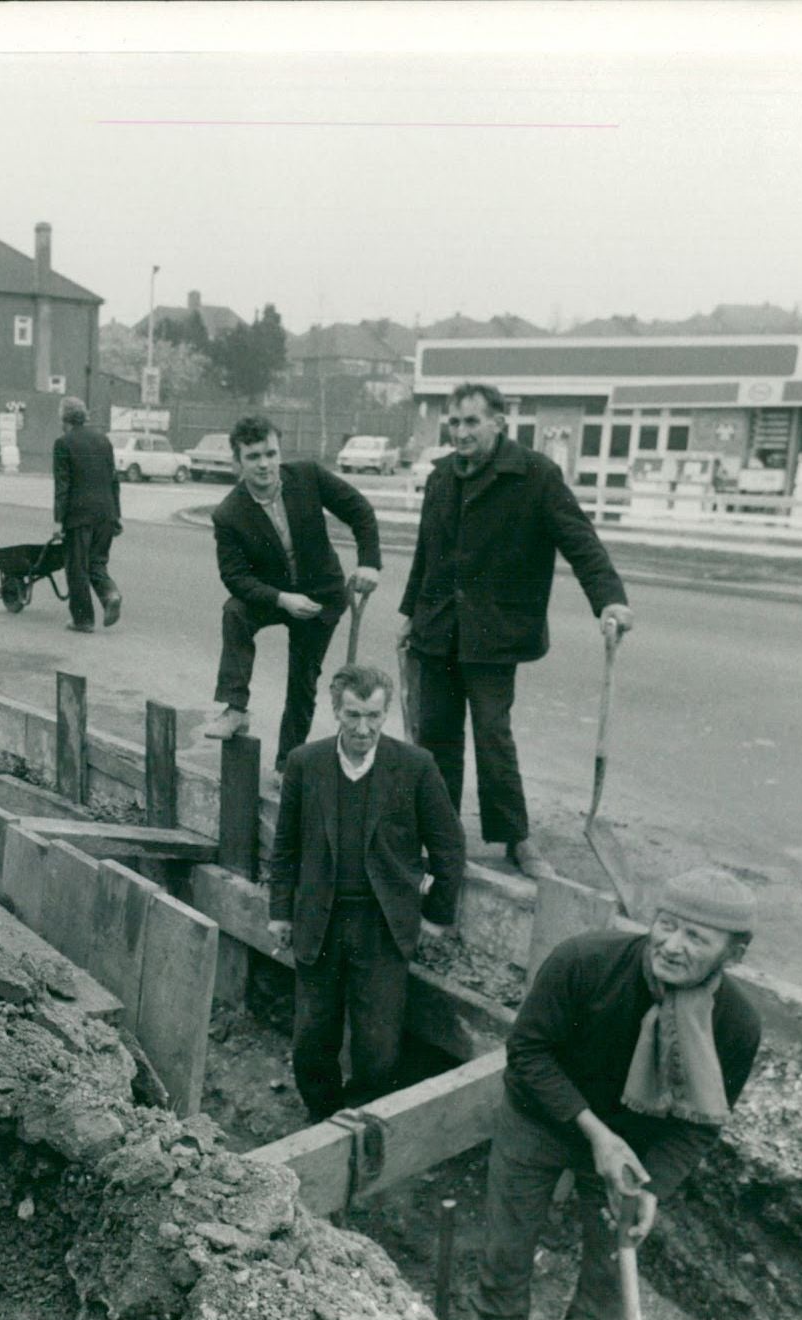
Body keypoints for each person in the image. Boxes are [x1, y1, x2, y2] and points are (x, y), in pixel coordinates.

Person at [470, 868, 762, 1320]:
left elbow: (700, 1125)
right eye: (666, 925)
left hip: (631, 1148)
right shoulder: (584, 963)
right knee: (506, 1253)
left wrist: (652, 1189)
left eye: (695, 937)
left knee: (609, 1282)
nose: (671, 944)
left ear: (735, 953)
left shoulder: (734, 1024)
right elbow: (527, 1052)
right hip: (540, 1121)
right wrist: (596, 1134)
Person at [397, 383, 632, 878]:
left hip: (494, 632)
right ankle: (442, 835)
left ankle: (515, 839)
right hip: (437, 628)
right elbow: (426, 553)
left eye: (472, 422)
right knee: (436, 736)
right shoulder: (441, 477)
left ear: (499, 423)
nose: (461, 432)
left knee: (492, 734)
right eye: (454, 423)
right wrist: (408, 614)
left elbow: (580, 540)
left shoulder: (534, 475)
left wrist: (609, 599)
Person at [268, 664, 466, 1119]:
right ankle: (320, 1115)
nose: (364, 728)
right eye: (353, 715)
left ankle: (360, 1118)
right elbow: (286, 846)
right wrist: (281, 910)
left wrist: (436, 914)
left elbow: (449, 844)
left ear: (385, 712)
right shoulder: (305, 763)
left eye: (374, 716)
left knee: (378, 1043)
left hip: (382, 925)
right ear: (335, 710)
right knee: (313, 1035)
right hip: (320, 919)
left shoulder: (415, 767)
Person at [205, 414, 381, 766]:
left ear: (279, 453)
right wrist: (281, 599)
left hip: (320, 597)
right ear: (237, 462)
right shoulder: (229, 513)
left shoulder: (308, 477)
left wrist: (369, 563)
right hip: (275, 596)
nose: (264, 464)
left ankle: (287, 765)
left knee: (302, 683)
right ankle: (235, 707)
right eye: (253, 457)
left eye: (270, 453)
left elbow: (360, 510)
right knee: (235, 610)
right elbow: (235, 578)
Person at [52, 397, 123, 633]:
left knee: (76, 567)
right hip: (106, 513)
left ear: (64, 419)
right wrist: (117, 515)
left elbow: (63, 486)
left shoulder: (63, 443)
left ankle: (83, 620)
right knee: (97, 562)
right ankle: (110, 594)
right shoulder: (103, 441)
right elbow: (114, 480)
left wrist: (58, 521)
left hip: (79, 516)